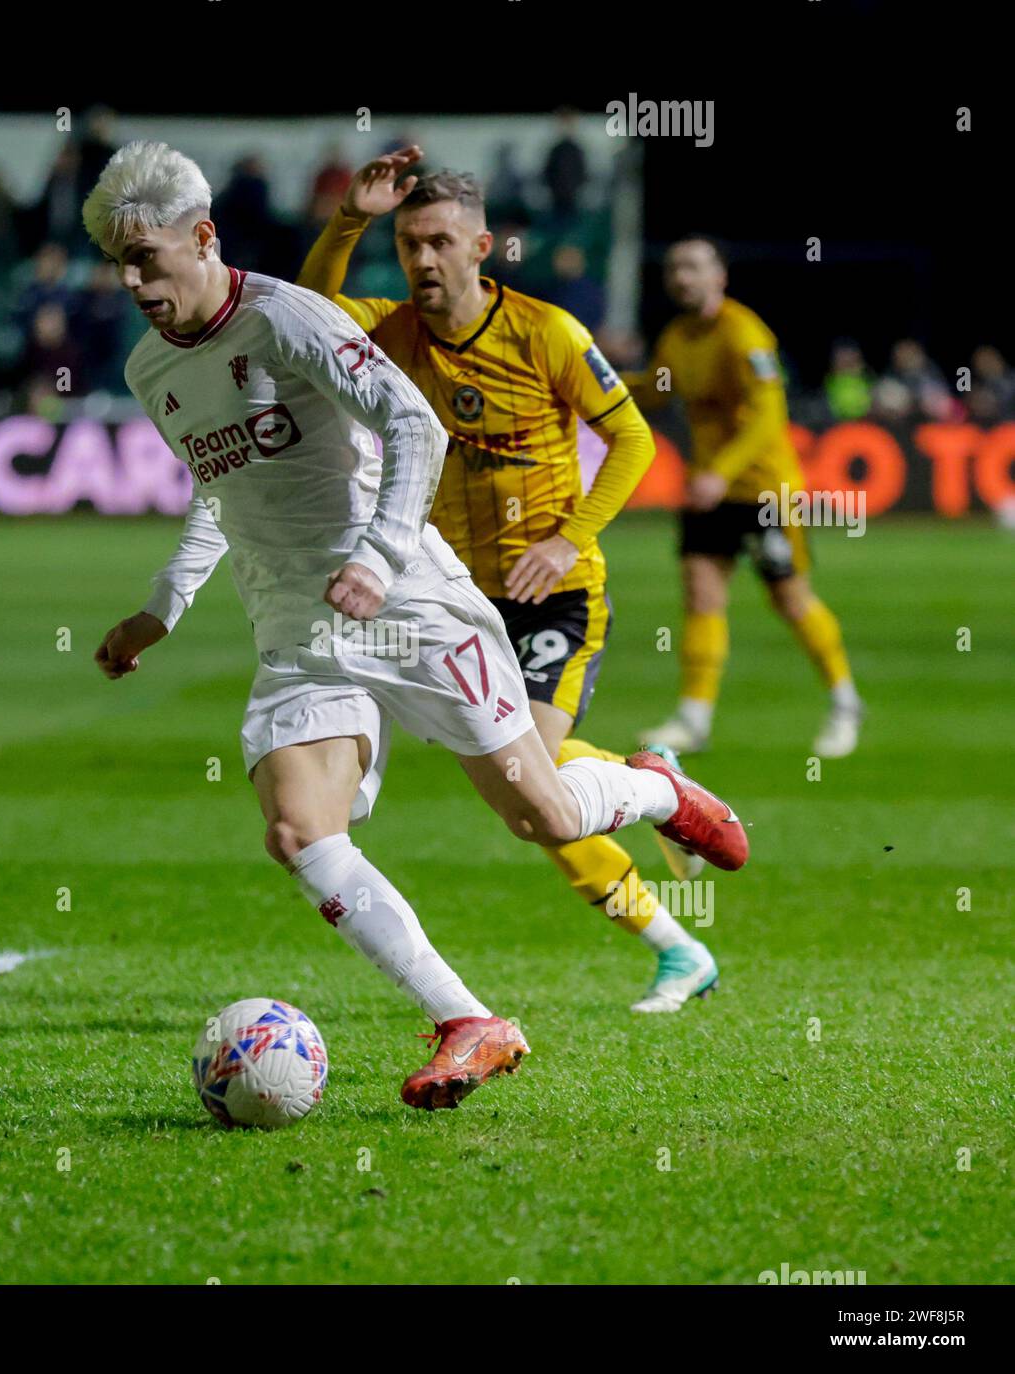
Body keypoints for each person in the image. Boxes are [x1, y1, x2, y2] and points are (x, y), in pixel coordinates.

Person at [85, 142, 749, 1112]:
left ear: (203, 236)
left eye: (147, 257)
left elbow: (413, 427)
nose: (135, 281)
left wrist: (379, 556)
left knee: (542, 816)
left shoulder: (287, 318)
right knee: (296, 831)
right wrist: (161, 607)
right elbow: (220, 488)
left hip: (408, 608)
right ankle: (467, 1020)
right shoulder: (152, 367)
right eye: (120, 263)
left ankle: (651, 789)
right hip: (298, 629)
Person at [297, 147, 720, 1014]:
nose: (421, 260)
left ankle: (669, 885)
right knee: (533, 803)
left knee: (542, 778)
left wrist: (569, 540)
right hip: (458, 600)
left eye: (440, 242)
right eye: (409, 243)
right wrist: (351, 219)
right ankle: (670, 898)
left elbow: (633, 438)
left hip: (554, 595)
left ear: (481, 246)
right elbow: (311, 312)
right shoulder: (391, 332)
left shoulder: (548, 331)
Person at [628, 237, 863, 759]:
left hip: (762, 491)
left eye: (693, 267)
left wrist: (721, 471)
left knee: (790, 598)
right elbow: (654, 392)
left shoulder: (744, 333)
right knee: (701, 594)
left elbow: (768, 415)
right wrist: (591, 385)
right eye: (674, 268)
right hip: (710, 490)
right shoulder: (677, 337)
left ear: (719, 277)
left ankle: (844, 701)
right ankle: (694, 716)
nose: (681, 277)